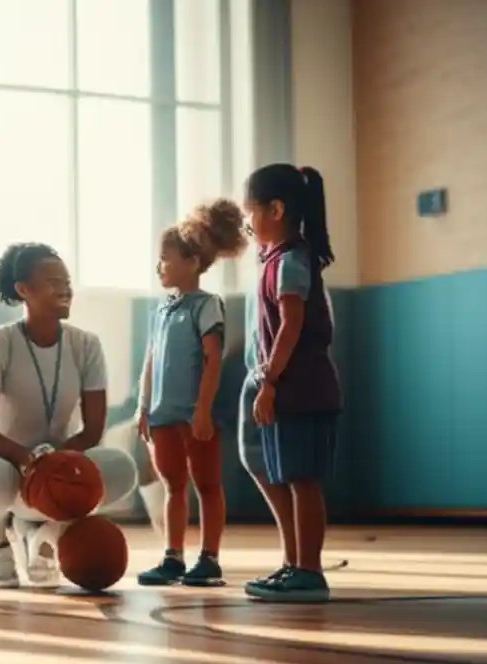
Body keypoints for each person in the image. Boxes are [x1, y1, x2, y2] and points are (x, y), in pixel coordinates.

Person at [0, 243, 138, 589]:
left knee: (122, 468)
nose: (65, 288)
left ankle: (46, 531)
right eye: (52, 281)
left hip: (57, 460)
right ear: (24, 290)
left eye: (66, 280)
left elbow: (93, 429)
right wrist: (27, 458)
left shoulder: (86, 345)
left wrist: (56, 462)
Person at [243, 164, 342, 603]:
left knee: (303, 480)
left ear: (276, 209)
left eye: (252, 212)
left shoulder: (292, 261)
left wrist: (269, 381)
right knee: (290, 476)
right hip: (292, 388)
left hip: (302, 388)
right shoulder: (276, 259)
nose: (248, 222)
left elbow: (291, 324)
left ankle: (310, 570)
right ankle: (294, 564)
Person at [136, 201, 246, 586]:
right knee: (173, 486)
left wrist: (202, 410)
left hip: (194, 416)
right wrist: (143, 406)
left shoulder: (207, 306)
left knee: (208, 485)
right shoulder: (160, 312)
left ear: (192, 261)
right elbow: (150, 361)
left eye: (165, 259)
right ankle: (173, 556)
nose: (159, 267)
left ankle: (210, 558)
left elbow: (212, 360)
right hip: (163, 415)